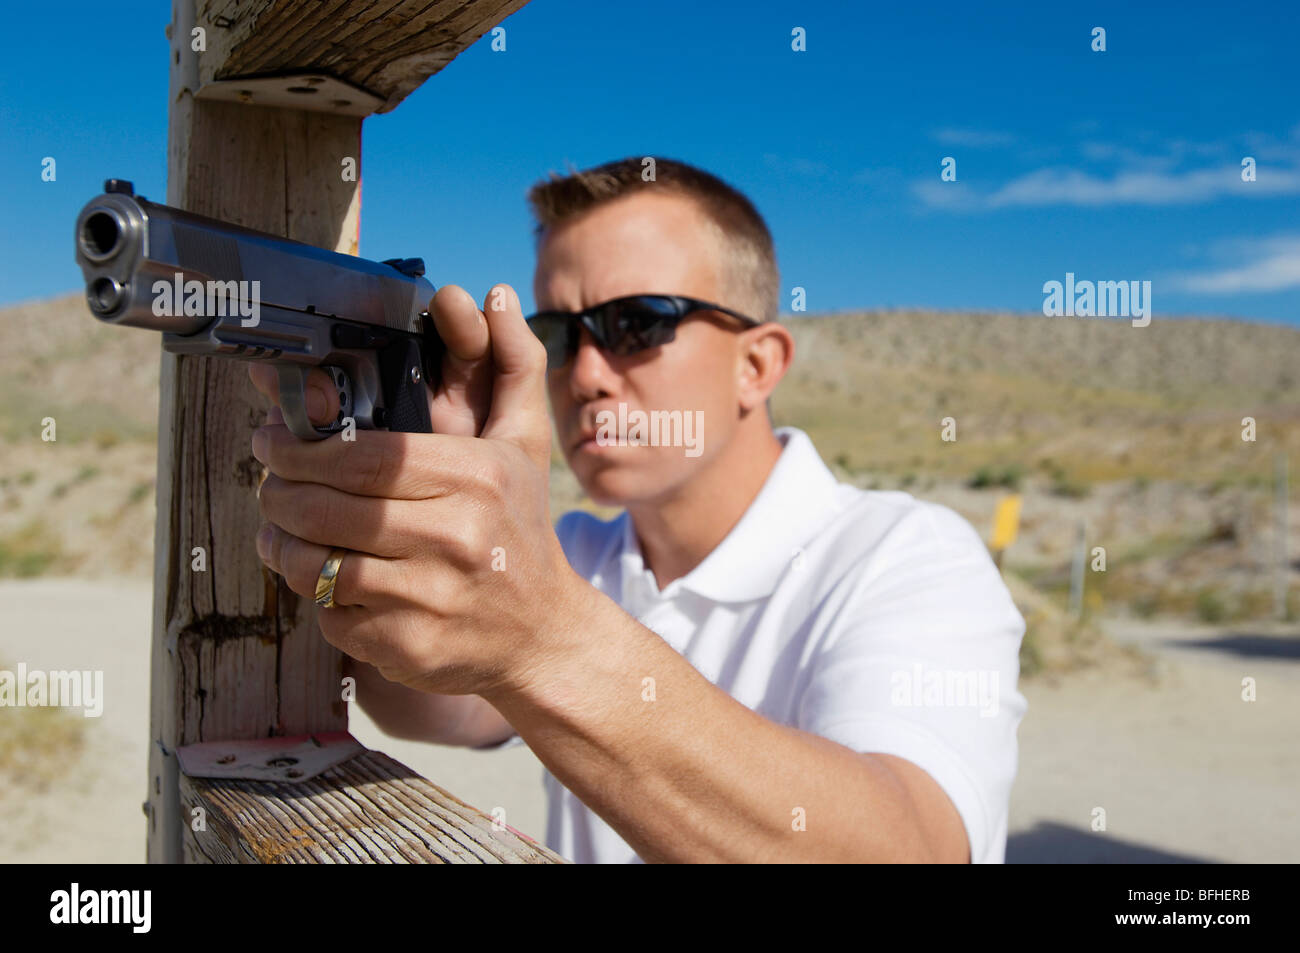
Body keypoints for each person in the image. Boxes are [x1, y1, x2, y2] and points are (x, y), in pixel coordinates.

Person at [248, 156, 1028, 863]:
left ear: (757, 365)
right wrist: (384, 536)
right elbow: (431, 709)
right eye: (558, 332)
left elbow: (912, 846)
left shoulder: (908, 556)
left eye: (639, 324)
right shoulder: (582, 554)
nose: (586, 372)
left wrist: (544, 634)